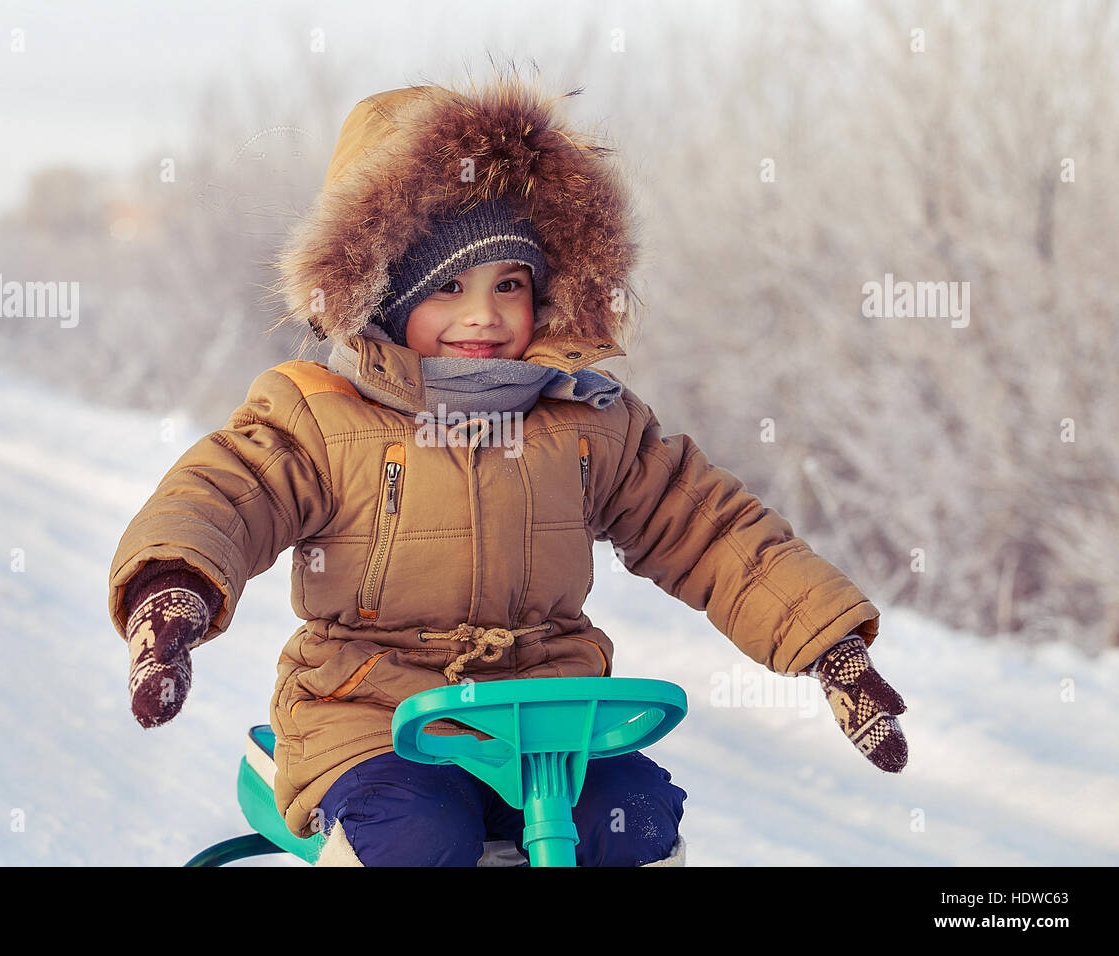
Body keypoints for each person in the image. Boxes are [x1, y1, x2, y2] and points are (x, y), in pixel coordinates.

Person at [107, 66, 908, 867]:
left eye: (511, 284)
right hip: (376, 718)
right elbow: (225, 492)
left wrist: (828, 646)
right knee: (419, 838)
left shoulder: (587, 420)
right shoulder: (319, 415)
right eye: (447, 285)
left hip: (556, 721)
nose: (483, 315)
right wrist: (172, 589)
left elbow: (707, 529)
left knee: (633, 817)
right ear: (380, 296)